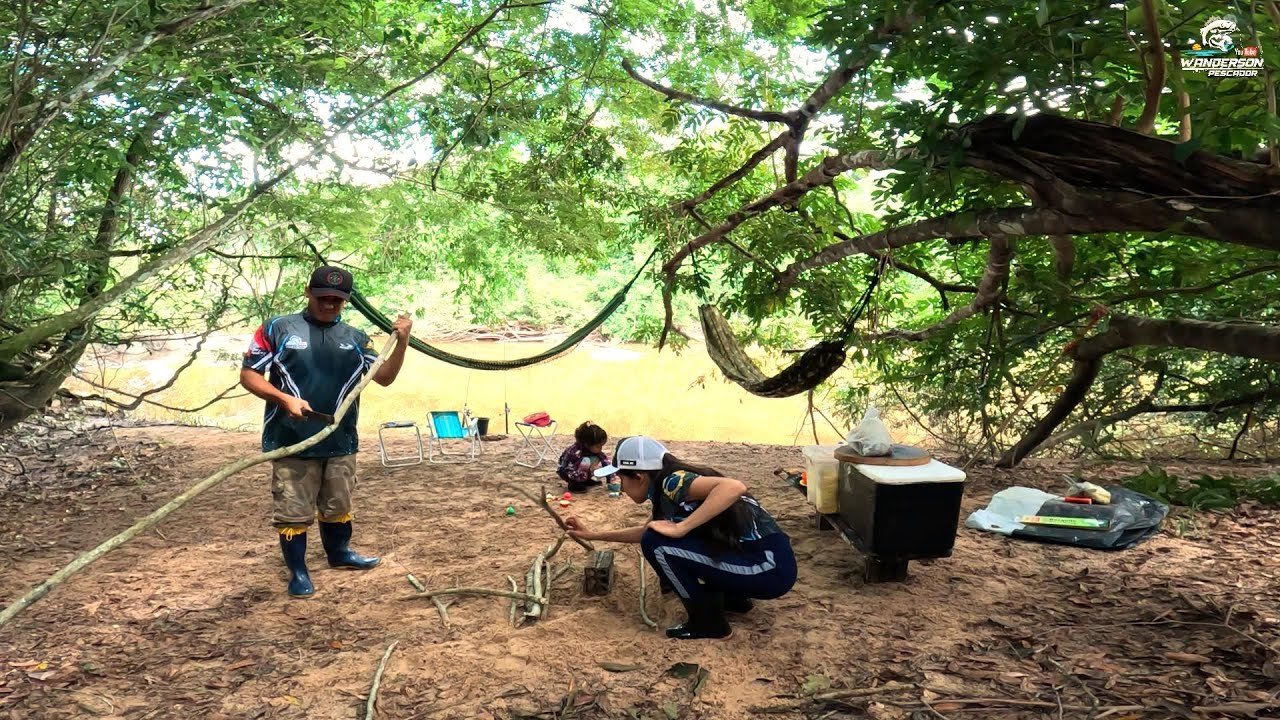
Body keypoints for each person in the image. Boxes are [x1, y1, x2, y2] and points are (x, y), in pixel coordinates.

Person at [239, 265, 412, 599]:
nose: (330, 304)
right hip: (291, 439)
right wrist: (283, 398)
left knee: (338, 503)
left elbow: (385, 376)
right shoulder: (277, 328)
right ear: (308, 293)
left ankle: (339, 553)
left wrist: (402, 342)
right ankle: (298, 571)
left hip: (341, 438)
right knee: (293, 510)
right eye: (323, 297)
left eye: (337, 299)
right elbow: (249, 375)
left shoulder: (356, 338)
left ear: (345, 300)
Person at [566, 436, 797, 640]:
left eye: (621, 479)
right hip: (767, 562)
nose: (622, 489)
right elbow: (648, 530)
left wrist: (682, 527)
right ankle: (733, 599)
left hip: (768, 568)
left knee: (657, 546)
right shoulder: (665, 489)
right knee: (659, 539)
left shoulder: (673, 482)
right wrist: (591, 534)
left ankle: (709, 623)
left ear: (638, 476)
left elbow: (733, 487)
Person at [556, 421, 609, 492]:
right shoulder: (574, 453)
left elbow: (605, 462)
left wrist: (610, 477)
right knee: (586, 461)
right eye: (598, 446)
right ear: (587, 444)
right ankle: (575, 484)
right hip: (568, 472)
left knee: (595, 460)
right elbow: (567, 469)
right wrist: (574, 479)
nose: (600, 449)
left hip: (579, 469)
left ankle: (586, 480)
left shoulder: (592, 449)